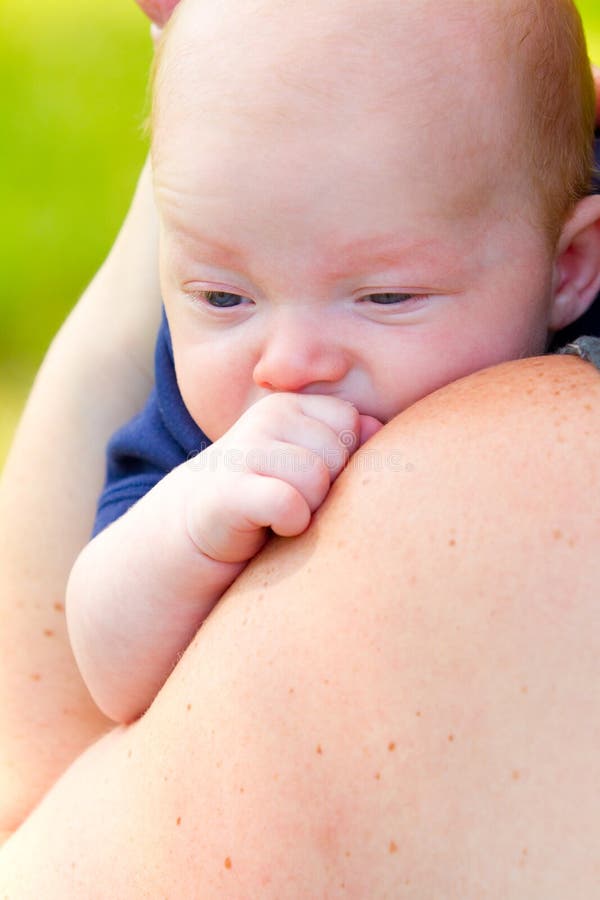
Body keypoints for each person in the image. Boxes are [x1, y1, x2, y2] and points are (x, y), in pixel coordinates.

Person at [1, 0, 600, 894]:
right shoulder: (210, 426)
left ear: (569, 271)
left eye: (387, 298)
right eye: (221, 298)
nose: (288, 364)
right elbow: (106, 669)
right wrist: (189, 531)